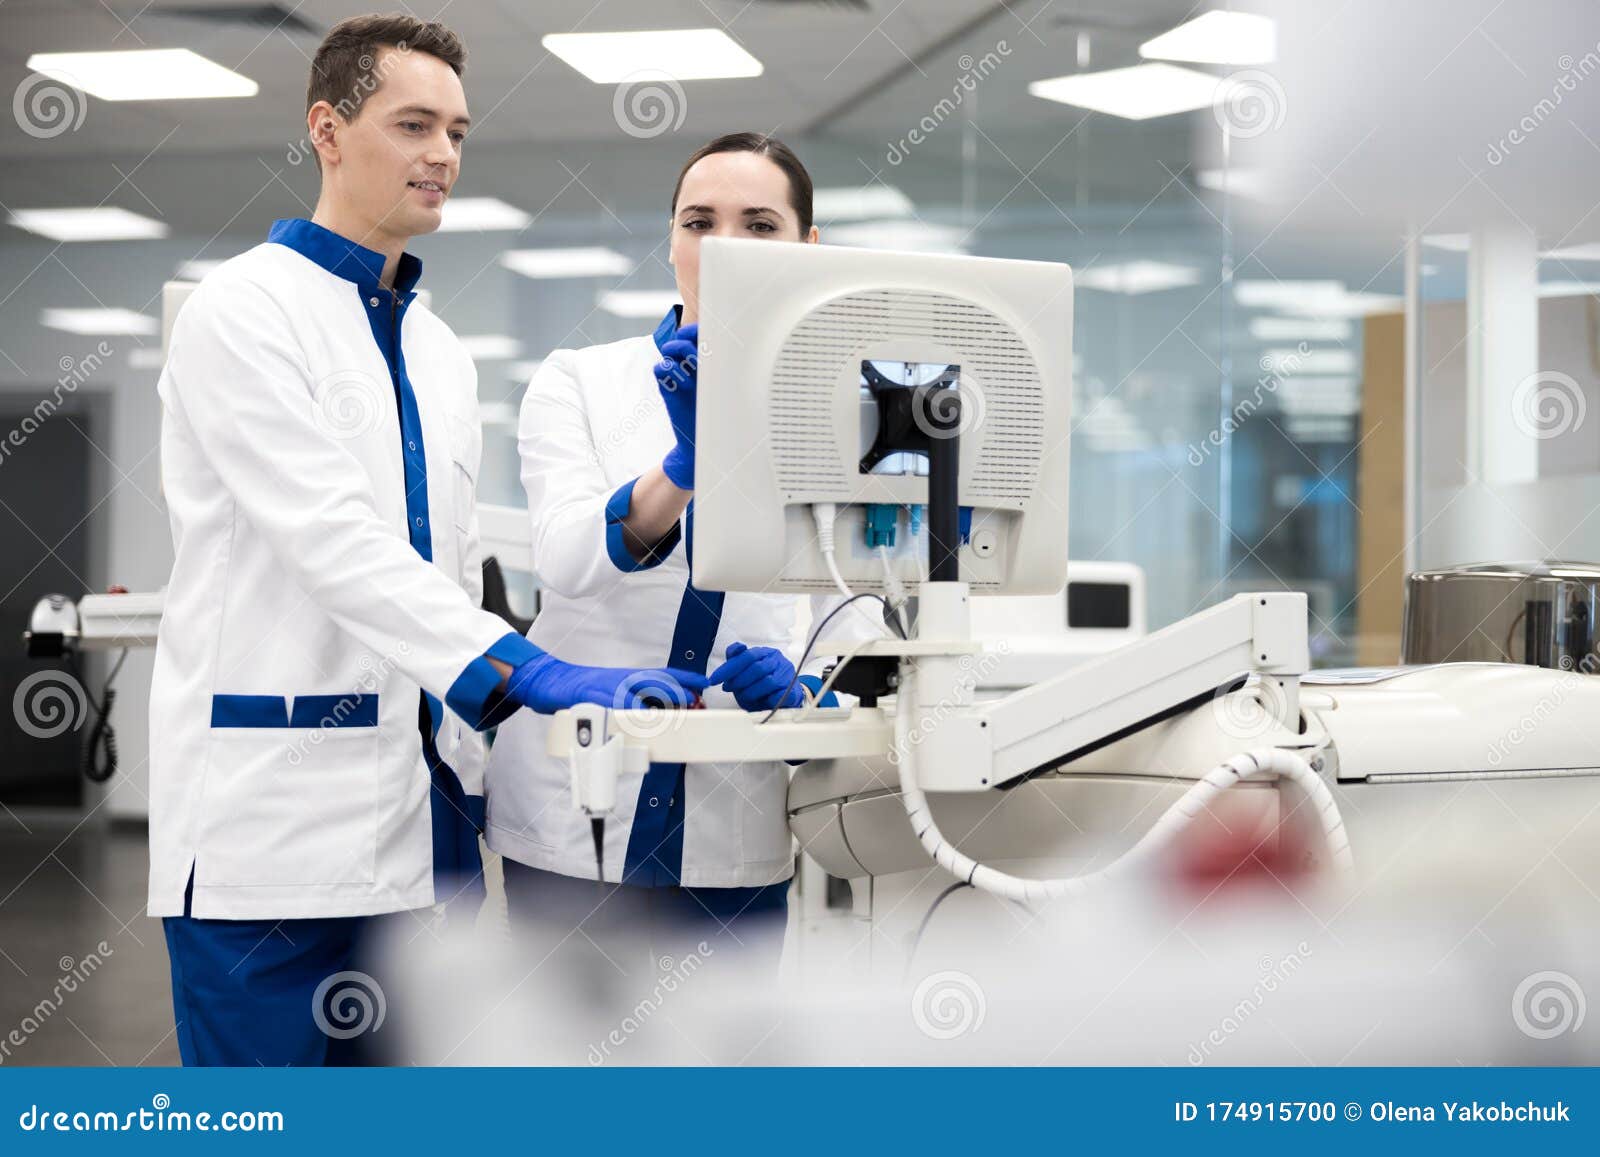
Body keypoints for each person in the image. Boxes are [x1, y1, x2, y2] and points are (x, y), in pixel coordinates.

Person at [149, 13, 701, 1067]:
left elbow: (440, 573)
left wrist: (492, 751)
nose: (442, 154)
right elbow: (333, 541)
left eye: (456, 130)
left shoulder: (442, 352)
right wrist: (526, 667)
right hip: (265, 828)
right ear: (327, 128)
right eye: (412, 124)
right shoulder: (241, 313)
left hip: (420, 827)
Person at [485, 133, 885, 991]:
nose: (723, 245)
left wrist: (814, 697)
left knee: (716, 1107)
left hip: (734, 824)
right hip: (574, 805)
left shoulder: (853, 417)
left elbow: (860, 623)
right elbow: (566, 559)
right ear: (671, 242)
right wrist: (683, 468)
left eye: (759, 224)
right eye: (699, 221)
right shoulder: (581, 381)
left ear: (807, 251)